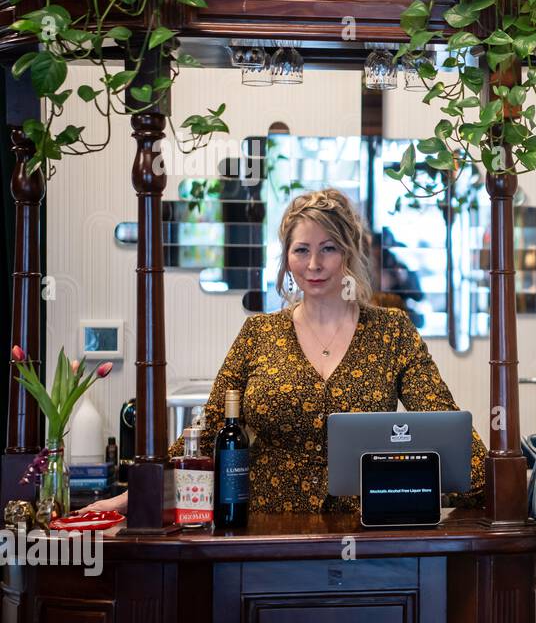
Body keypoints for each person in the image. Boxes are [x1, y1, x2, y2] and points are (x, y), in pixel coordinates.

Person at [88, 188, 486, 514]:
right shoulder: (259, 333)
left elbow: (446, 427)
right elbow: (207, 432)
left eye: (328, 248)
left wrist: (501, 490)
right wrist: (131, 498)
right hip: (264, 526)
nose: (314, 264)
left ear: (348, 251)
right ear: (286, 257)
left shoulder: (392, 331)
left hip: (364, 526)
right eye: (301, 250)